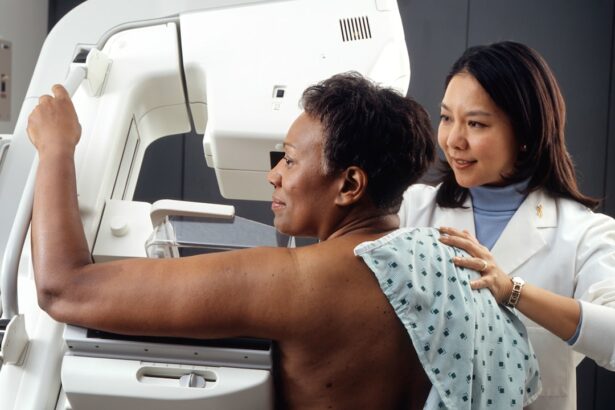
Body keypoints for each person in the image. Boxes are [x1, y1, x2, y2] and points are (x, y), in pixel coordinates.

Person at [28, 72, 539, 409]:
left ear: (350, 185)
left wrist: (56, 148)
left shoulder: (296, 282)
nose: (274, 175)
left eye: (290, 160)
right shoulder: (454, 264)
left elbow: (63, 288)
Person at [399, 41, 615, 410]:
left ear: (526, 134)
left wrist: (513, 291)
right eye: (447, 118)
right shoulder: (412, 209)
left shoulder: (584, 233)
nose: (453, 140)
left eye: (476, 124)